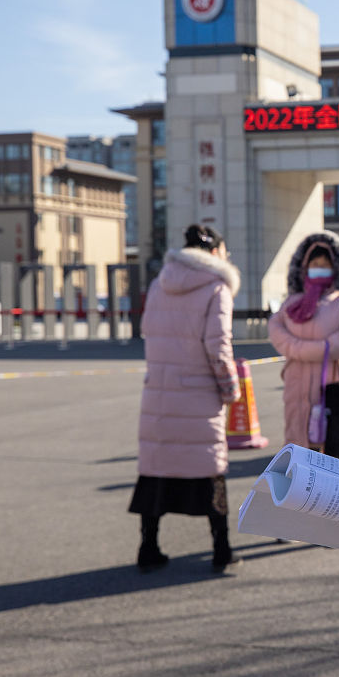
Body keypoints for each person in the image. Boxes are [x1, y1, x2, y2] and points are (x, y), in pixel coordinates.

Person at [129, 224, 241, 573]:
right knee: (210, 470)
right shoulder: (216, 288)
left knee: (155, 470)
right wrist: (230, 390)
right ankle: (221, 549)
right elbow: (218, 348)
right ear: (215, 253)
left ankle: (148, 546)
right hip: (199, 394)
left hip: (160, 394)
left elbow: (149, 333)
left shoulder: (160, 283)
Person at [268, 232, 339, 454]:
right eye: (315, 262)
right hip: (298, 389)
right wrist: (321, 349)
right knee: (299, 451)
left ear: (337, 266)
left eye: (325, 263)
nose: (320, 266)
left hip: (335, 385)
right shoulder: (293, 302)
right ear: (304, 266)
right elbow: (275, 327)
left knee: (337, 452)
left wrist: (299, 349)